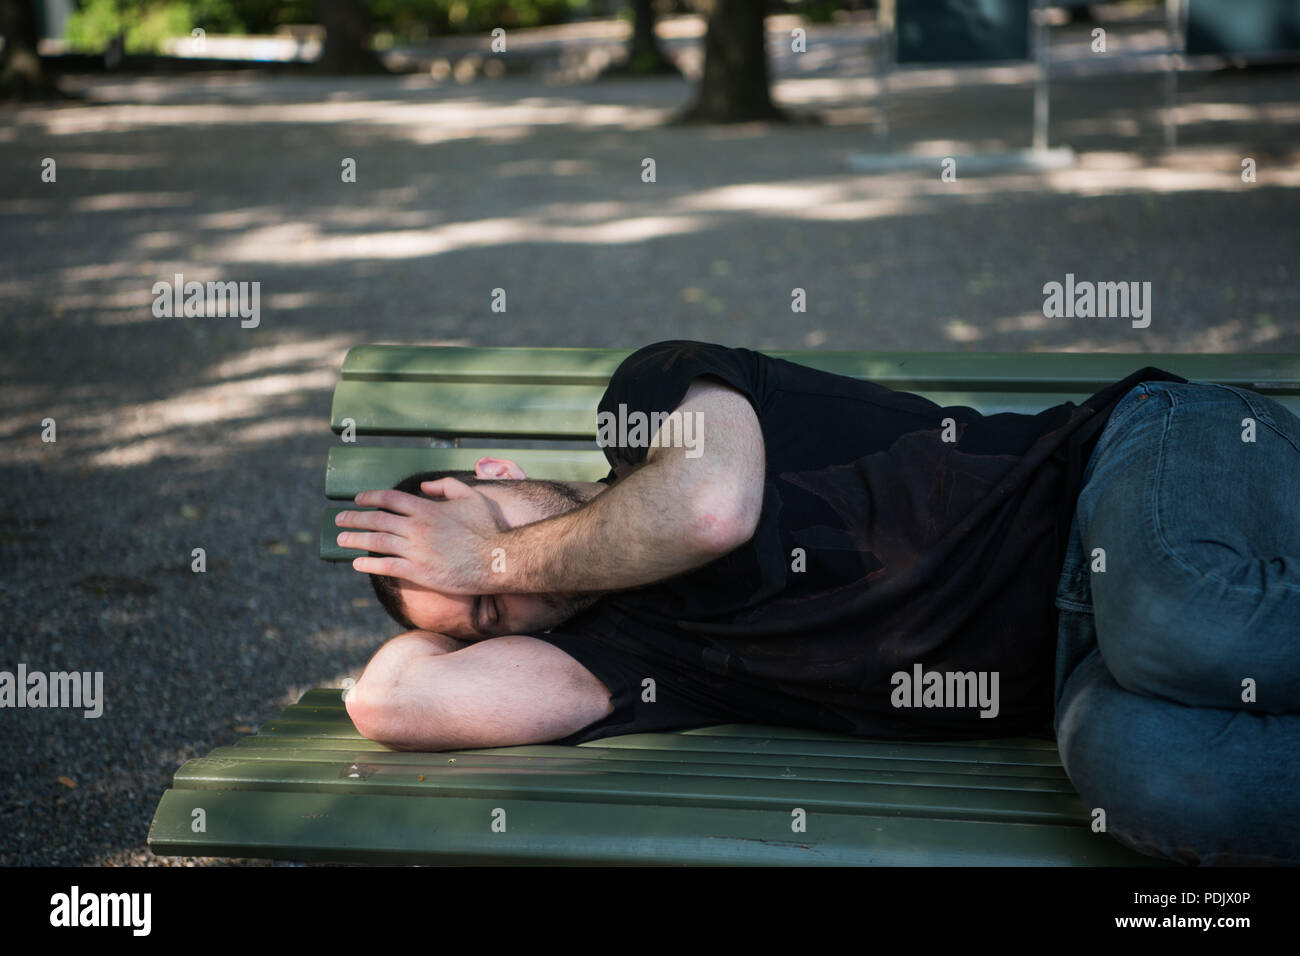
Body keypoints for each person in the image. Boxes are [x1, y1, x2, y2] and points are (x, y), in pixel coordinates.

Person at [335, 340, 1300, 865]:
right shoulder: (630, 657)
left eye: (485, 531)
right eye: (486, 618)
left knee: (1175, 618)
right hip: (1082, 674)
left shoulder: (650, 403)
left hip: (1134, 467)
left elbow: (711, 511)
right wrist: (472, 584)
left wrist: (494, 563)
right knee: (1146, 771)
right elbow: (391, 703)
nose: (508, 588)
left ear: (498, 471)